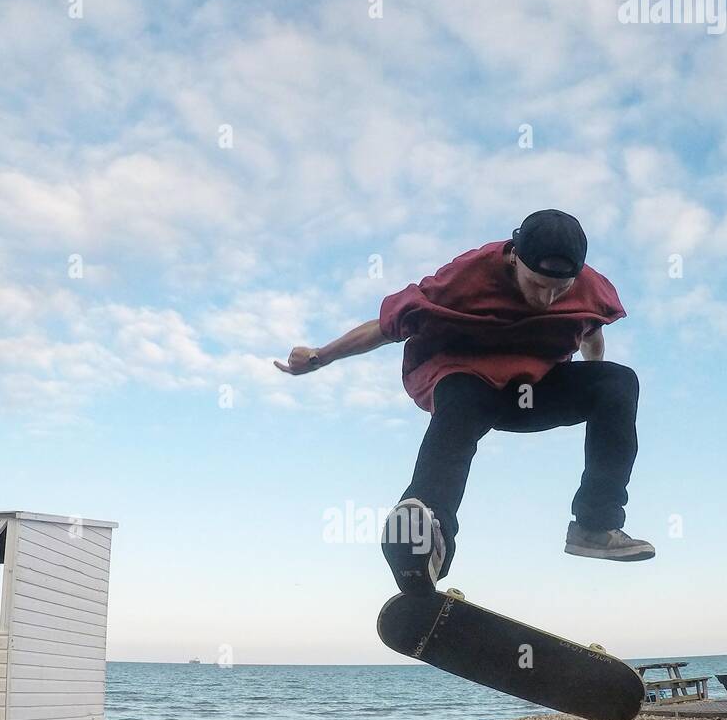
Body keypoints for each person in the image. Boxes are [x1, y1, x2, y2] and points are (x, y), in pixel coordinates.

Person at [276, 208, 653, 592]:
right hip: (468, 381)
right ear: (514, 258)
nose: (548, 297)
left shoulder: (592, 288)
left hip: (534, 391)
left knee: (619, 382)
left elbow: (591, 332)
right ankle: (427, 537)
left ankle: (595, 525)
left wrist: (599, 395)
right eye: (537, 285)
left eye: (560, 289)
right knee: (463, 397)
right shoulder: (465, 278)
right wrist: (320, 357)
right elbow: (386, 329)